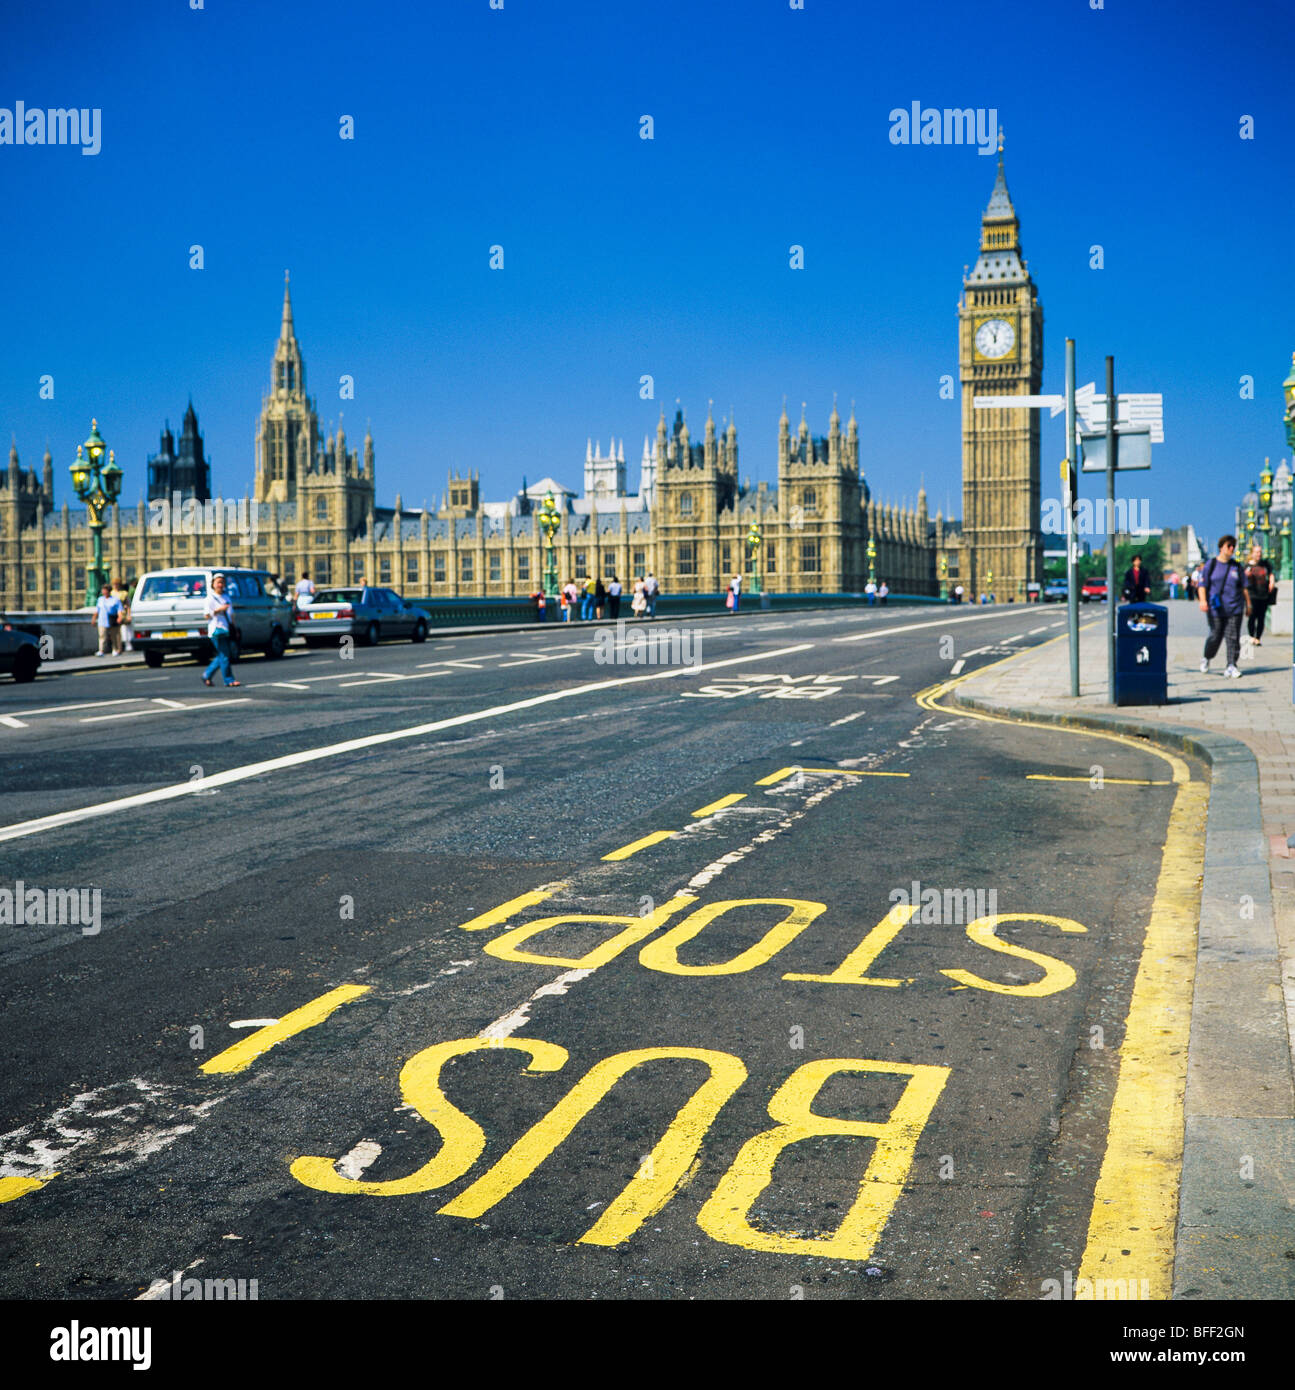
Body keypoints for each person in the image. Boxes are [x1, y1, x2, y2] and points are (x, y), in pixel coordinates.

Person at [1198, 535, 1249, 678]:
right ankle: (1207, 657)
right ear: (1221, 547)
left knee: (1232, 637)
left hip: (1235, 607)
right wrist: (1203, 601)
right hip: (1216, 607)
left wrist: (1249, 605)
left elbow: (1244, 587)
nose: (1231, 549)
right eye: (1229, 546)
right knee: (1215, 635)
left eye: (1233, 546)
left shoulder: (1236, 566)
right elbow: (1202, 585)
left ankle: (1231, 665)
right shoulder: (1211, 564)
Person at [202, 572, 241, 687]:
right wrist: (219, 610)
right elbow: (206, 615)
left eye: (222, 582)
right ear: (213, 584)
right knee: (225, 655)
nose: (220, 584)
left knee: (223, 655)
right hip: (216, 630)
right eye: (218, 582)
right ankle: (228, 680)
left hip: (226, 629)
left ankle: (207, 675)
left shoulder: (226, 597)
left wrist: (234, 628)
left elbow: (231, 615)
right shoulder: (209, 599)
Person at [1244, 544, 1275, 645]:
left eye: (1260, 552)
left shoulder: (1265, 564)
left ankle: (1258, 638)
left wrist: (1271, 582)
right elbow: (1243, 577)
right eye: (1257, 552)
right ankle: (1252, 635)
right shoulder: (1248, 565)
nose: (1259, 554)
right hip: (1252, 594)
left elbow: (1271, 574)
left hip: (1264, 594)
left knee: (1261, 617)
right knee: (1252, 616)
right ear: (1252, 554)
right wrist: (1247, 575)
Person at [95, 583, 123, 655]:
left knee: (114, 636)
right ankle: (101, 650)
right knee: (102, 636)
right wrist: (94, 619)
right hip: (102, 621)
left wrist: (120, 617)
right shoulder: (100, 599)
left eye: (105, 590)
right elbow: (97, 610)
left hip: (112, 620)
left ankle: (115, 650)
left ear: (109, 591)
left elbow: (119, 610)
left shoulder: (115, 600)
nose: (103, 591)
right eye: (103, 590)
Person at [111, 575, 133, 651]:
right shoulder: (111, 593)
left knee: (125, 630)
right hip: (114, 614)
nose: (115, 586)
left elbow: (128, 605)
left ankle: (128, 644)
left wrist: (129, 615)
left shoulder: (124, 593)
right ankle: (116, 647)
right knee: (115, 632)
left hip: (123, 613)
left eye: (117, 584)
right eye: (114, 584)